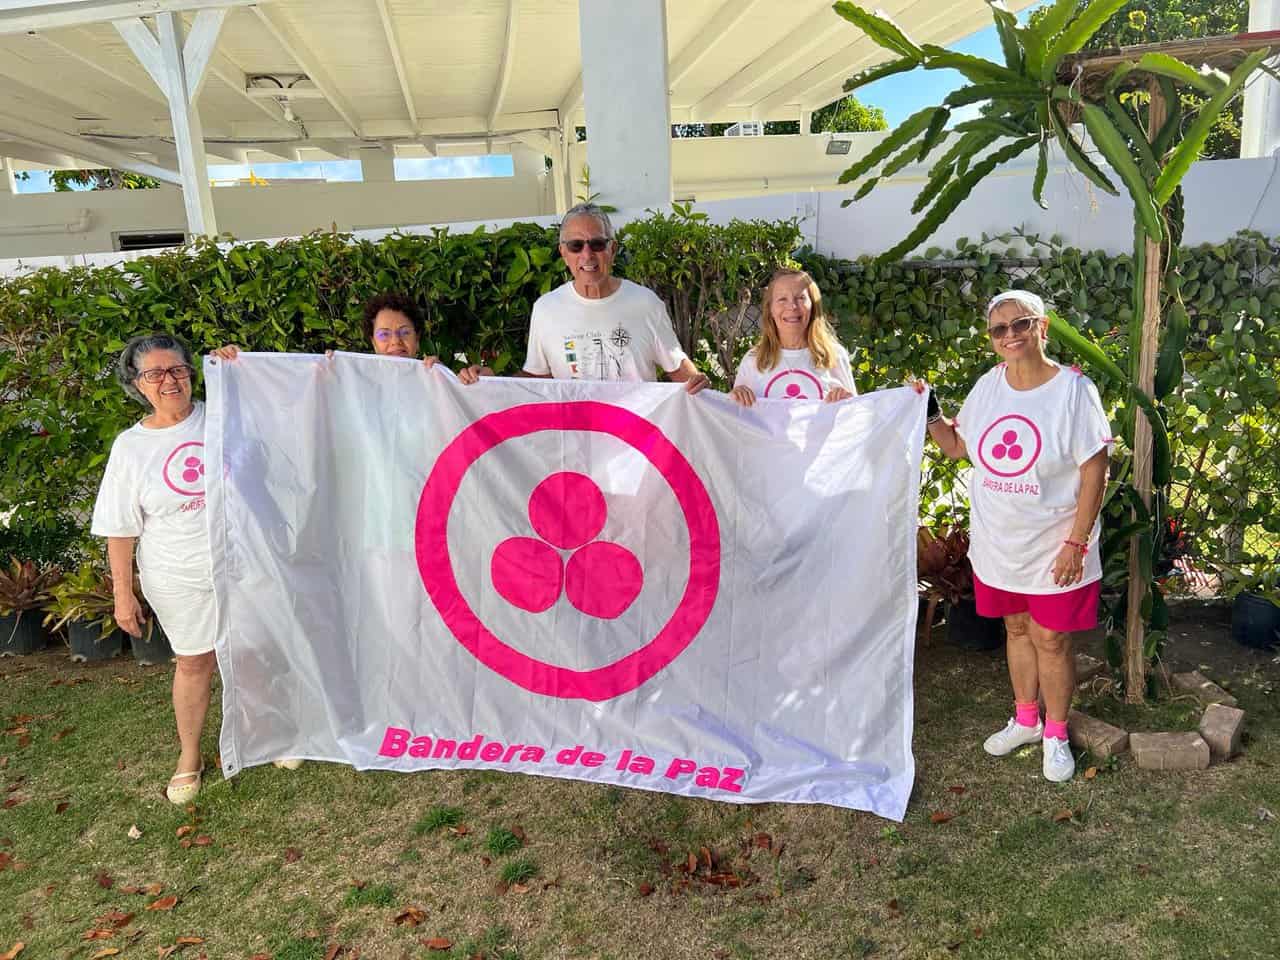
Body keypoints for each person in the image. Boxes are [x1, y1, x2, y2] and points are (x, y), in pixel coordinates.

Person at [918, 290, 1111, 782]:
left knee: (1052, 639)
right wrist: (932, 414)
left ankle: (1056, 733)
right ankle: (1026, 720)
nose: (1010, 335)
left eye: (1021, 324)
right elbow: (957, 447)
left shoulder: (1073, 391)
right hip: (1000, 544)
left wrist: (1076, 542)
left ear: (1042, 327)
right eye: (999, 329)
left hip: (1054, 543)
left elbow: (1095, 469)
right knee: (1018, 629)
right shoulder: (989, 386)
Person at [91, 334, 221, 804]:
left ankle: (272, 736)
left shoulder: (224, 416)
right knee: (194, 661)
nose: (169, 380)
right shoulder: (131, 447)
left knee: (258, 652)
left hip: (243, 566)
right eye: (155, 373)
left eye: (177, 369)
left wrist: (238, 367)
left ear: (191, 373)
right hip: (177, 575)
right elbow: (119, 528)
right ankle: (190, 755)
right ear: (137, 384)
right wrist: (123, 594)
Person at [459, 202, 709, 392]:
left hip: (636, 441)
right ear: (563, 253)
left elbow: (677, 368)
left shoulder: (645, 304)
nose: (587, 255)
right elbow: (537, 377)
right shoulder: (546, 309)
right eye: (576, 246)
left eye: (597, 244)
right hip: (577, 439)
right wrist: (490, 382)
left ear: (612, 249)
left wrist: (703, 389)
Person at [213, 292, 440, 369]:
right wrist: (238, 364)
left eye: (404, 332)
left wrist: (446, 384)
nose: (395, 341)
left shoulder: (437, 381)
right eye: (384, 334)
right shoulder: (353, 380)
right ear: (373, 342)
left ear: (417, 338)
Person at [730, 268, 856, 406]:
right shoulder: (753, 360)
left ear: (813, 306)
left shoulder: (834, 356)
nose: (792, 306)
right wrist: (737, 396)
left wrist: (846, 402)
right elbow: (738, 415)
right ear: (770, 309)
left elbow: (854, 414)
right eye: (782, 299)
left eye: (800, 298)